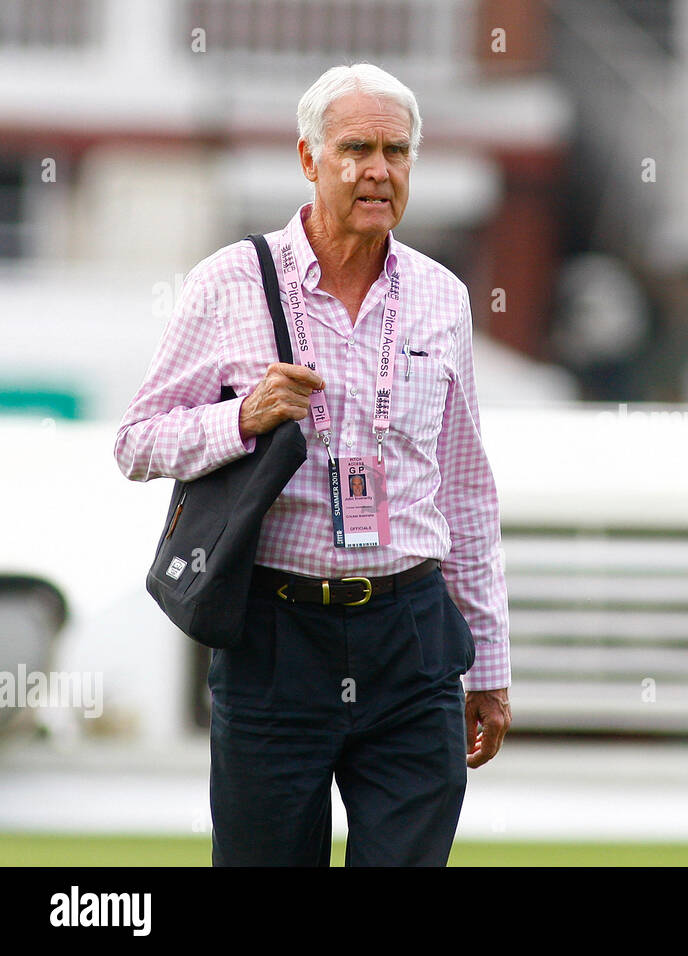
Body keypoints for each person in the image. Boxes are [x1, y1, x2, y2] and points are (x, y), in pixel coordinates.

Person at [115, 64, 510, 866]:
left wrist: (491, 663)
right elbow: (137, 441)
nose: (377, 170)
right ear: (308, 158)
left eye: (396, 151)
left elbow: (467, 487)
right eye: (355, 148)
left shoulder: (442, 297)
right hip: (274, 636)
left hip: (413, 637)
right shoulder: (230, 282)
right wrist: (242, 417)